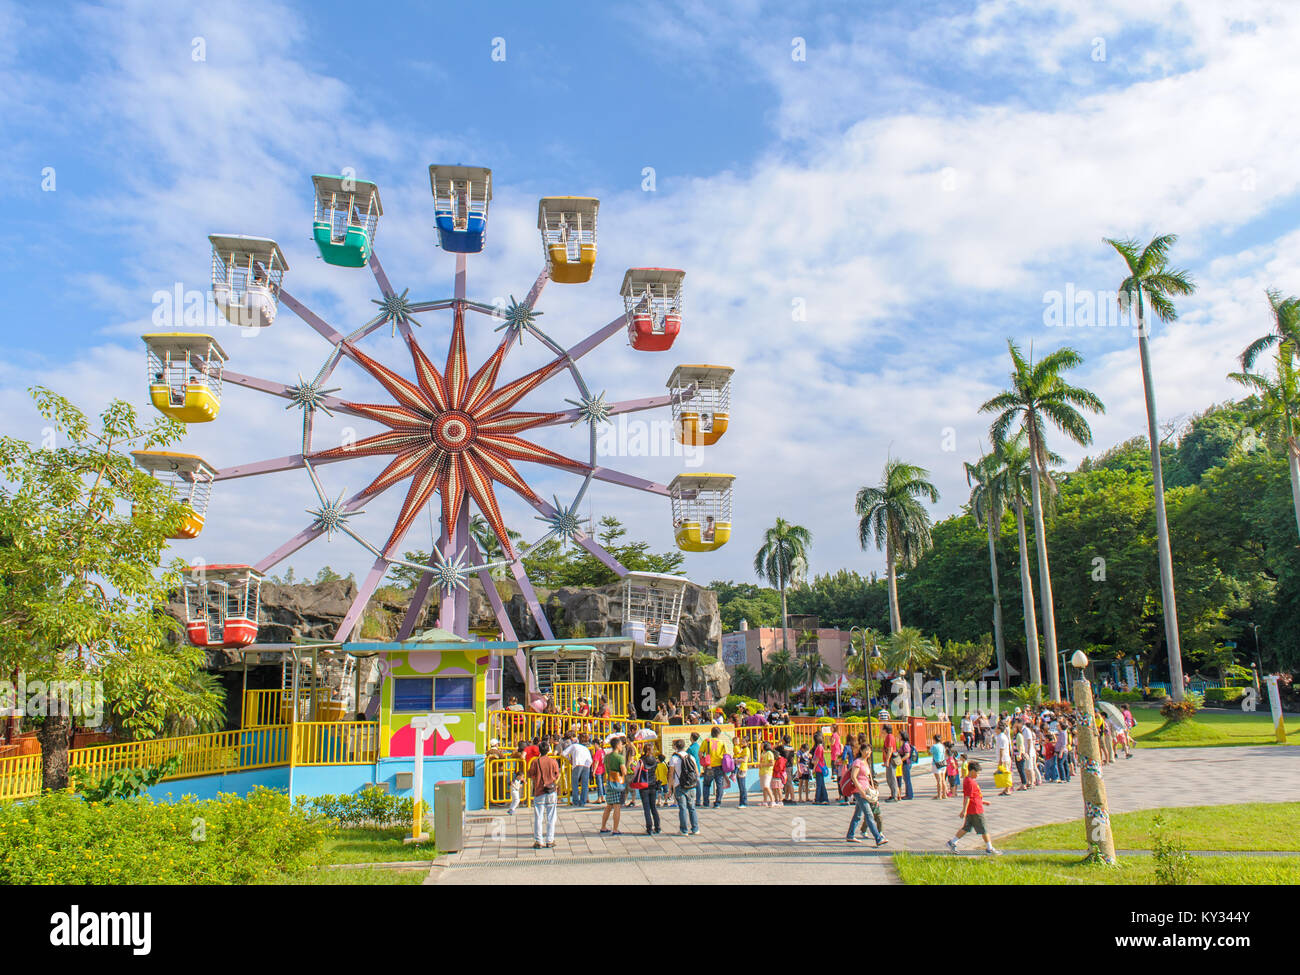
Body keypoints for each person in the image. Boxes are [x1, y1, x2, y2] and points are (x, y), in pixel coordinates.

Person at [946, 761, 1001, 855]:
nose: (978, 775)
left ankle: (952, 842)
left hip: (973, 807)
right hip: (976, 810)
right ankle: (989, 848)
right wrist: (964, 810)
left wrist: (983, 802)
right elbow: (967, 797)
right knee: (984, 828)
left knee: (966, 827)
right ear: (972, 771)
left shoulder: (968, 780)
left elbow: (973, 796)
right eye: (978, 773)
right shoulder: (970, 782)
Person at [845, 744, 886, 846]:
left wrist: (871, 787)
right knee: (869, 814)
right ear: (862, 750)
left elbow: (865, 777)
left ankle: (850, 835)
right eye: (866, 750)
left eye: (870, 751)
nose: (868, 752)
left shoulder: (866, 762)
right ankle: (878, 837)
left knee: (858, 814)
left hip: (866, 790)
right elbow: (853, 777)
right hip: (859, 792)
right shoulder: (857, 762)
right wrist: (861, 791)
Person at [527, 741, 561, 849]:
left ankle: (539, 840)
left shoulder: (535, 762)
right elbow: (557, 774)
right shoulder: (553, 761)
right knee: (551, 816)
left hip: (539, 790)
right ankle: (550, 840)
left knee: (538, 816)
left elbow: (530, 774)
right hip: (551, 791)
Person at [668, 738, 700, 835]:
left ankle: (684, 830)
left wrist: (670, 787)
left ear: (676, 747)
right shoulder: (690, 757)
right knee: (692, 807)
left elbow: (671, 774)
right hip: (691, 785)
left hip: (679, 785)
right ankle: (695, 829)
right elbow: (697, 772)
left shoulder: (674, 758)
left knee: (682, 808)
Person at [600, 736, 626, 834]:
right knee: (617, 806)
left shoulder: (607, 757)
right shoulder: (619, 758)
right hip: (618, 783)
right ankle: (615, 829)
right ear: (618, 745)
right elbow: (624, 771)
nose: (621, 746)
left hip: (609, 782)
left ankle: (603, 826)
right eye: (621, 745)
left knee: (609, 806)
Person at [634, 744, 661, 835]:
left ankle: (649, 828)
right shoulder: (655, 760)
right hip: (653, 784)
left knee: (646, 808)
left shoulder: (641, 761)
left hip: (644, 785)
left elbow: (636, 772)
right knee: (653, 806)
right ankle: (657, 827)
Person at [701, 726, 730, 807]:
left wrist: (704, 761)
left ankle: (706, 803)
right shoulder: (722, 742)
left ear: (711, 733)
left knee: (706, 785)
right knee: (719, 785)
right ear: (719, 734)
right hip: (719, 766)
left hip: (709, 766)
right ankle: (717, 803)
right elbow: (726, 755)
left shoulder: (706, 741)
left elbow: (700, 753)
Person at [563, 734, 593, 807]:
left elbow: (563, 753)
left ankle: (575, 801)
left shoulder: (574, 746)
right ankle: (583, 801)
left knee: (575, 783)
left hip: (578, 763)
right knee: (585, 784)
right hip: (587, 764)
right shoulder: (586, 748)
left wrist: (569, 759)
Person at [993, 721, 1013, 796]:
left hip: (1004, 759)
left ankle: (1008, 789)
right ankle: (1005, 788)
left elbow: (1002, 749)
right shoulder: (1000, 736)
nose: (995, 729)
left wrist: (1001, 760)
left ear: (999, 729)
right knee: (1004, 774)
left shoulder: (1001, 737)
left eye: (996, 728)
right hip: (1003, 758)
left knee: (1006, 774)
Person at [881, 724, 899, 801]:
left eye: (883, 729)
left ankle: (894, 795)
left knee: (891, 778)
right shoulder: (888, 737)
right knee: (889, 778)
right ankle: (893, 794)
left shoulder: (889, 737)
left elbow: (890, 749)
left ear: (885, 730)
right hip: (889, 760)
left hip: (891, 760)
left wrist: (887, 760)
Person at [812, 731, 830, 804]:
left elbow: (817, 759)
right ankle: (824, 798)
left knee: (819, 784)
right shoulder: (821, 747)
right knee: (821, 784)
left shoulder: (819, 747)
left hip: (818, 768)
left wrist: (813, 768)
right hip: (820, 767)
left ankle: (818, 798)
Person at [733, 736, 750, 807]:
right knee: (740, 786)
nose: (742, 743)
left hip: (742, 768)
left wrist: (736, 760)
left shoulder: (746, 749)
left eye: (743, 742)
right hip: (739, 767)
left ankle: (744, 802)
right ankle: (741, 802)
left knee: (742, 786)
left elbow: (744, 759)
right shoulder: (742, 748)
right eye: (741, 741)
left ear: (747, 742)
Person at [898, 731, 914, 800]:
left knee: (907, 779)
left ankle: (909, 794)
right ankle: (908, 794)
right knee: (906, 779)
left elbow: (907, 755)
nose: (898, 736)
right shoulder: (904, 744)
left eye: (899, 735)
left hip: (906, 764)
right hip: (905, 764)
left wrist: (900, 760)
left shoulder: (905, 745)